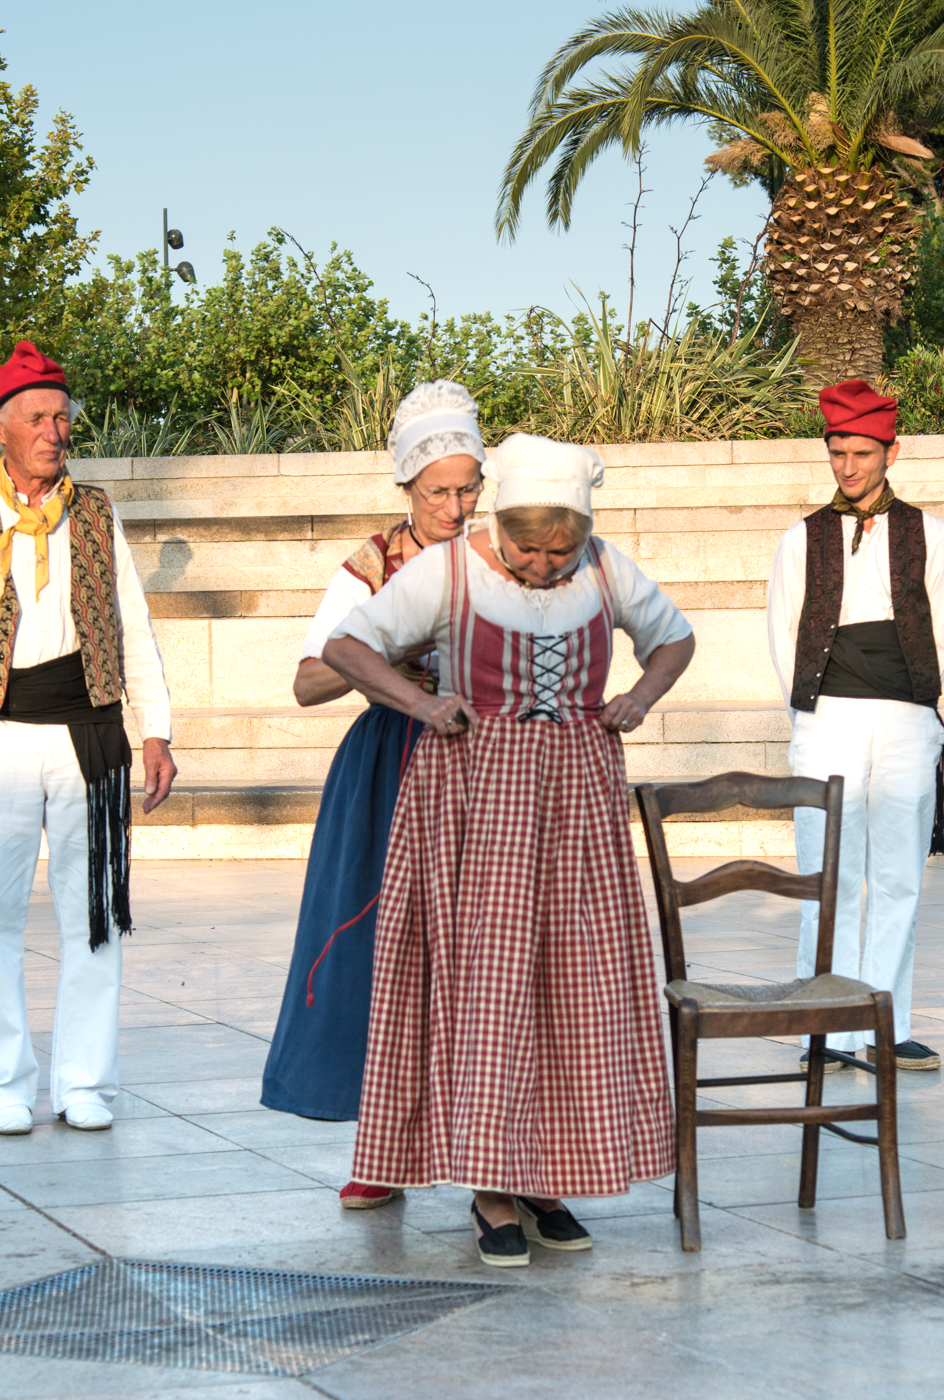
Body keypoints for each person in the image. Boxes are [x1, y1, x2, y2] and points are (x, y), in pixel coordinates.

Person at [321, 432, 694, 1266]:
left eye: (560, 548)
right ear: (502, 524)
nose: (542, 564)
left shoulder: (605, 567)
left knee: (570, 984)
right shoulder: (449, 570)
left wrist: (638, 695)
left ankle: (543, 1174)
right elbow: (344, 647)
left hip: (577, 810)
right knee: (488, 991)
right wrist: (420, 706)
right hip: (475, 802)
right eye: (528, 547)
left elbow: (674, 637)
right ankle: (490, 1186)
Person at [260, 380, 485, 1210]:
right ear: (405, 487)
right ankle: (380, 1150)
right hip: (389, 765)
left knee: (474, 958)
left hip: (476, 767)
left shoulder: (499, 557)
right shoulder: (369, 567)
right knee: (377, 951)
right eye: (438, 492)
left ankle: (492, 1156)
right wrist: (402, 649)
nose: (455, 507)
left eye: (468, 490)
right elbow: (309, 682)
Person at [0, 341, 175, 1135]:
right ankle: (2, 1085)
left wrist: (157, 728)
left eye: (62, 417)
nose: (56, 431)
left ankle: (84, 1083)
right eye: (39, 418)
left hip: (88, 732)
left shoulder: (93, 511)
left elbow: (132, 621)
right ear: (1, 429)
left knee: (94, 914)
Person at [767, 380, 944, 1073]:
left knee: (900, 874)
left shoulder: (931, 534)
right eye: (837, 452)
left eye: (862, 452)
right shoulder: (801, 539)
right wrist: (809, 720)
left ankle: (887, 1023)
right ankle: (826, 1027)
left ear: (891, 452)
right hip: (828, 716)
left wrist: (917, 710)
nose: (848, 466)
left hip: (907, 715)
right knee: (828, 874)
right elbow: (783, 634)